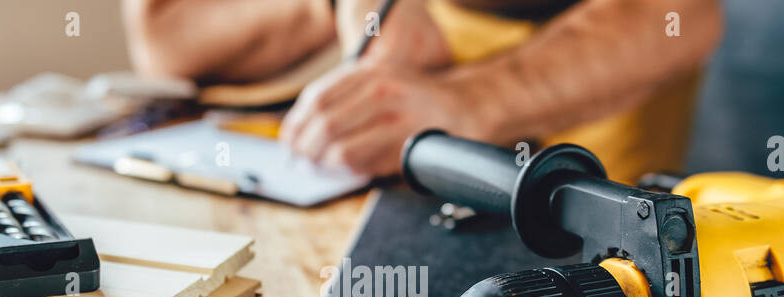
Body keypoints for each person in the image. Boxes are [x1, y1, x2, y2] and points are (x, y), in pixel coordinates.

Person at [123, 0, 723, 181]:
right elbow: (166, 35)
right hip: (371, 208)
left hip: (578, 231)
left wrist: (464, 103)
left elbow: (680, 15)